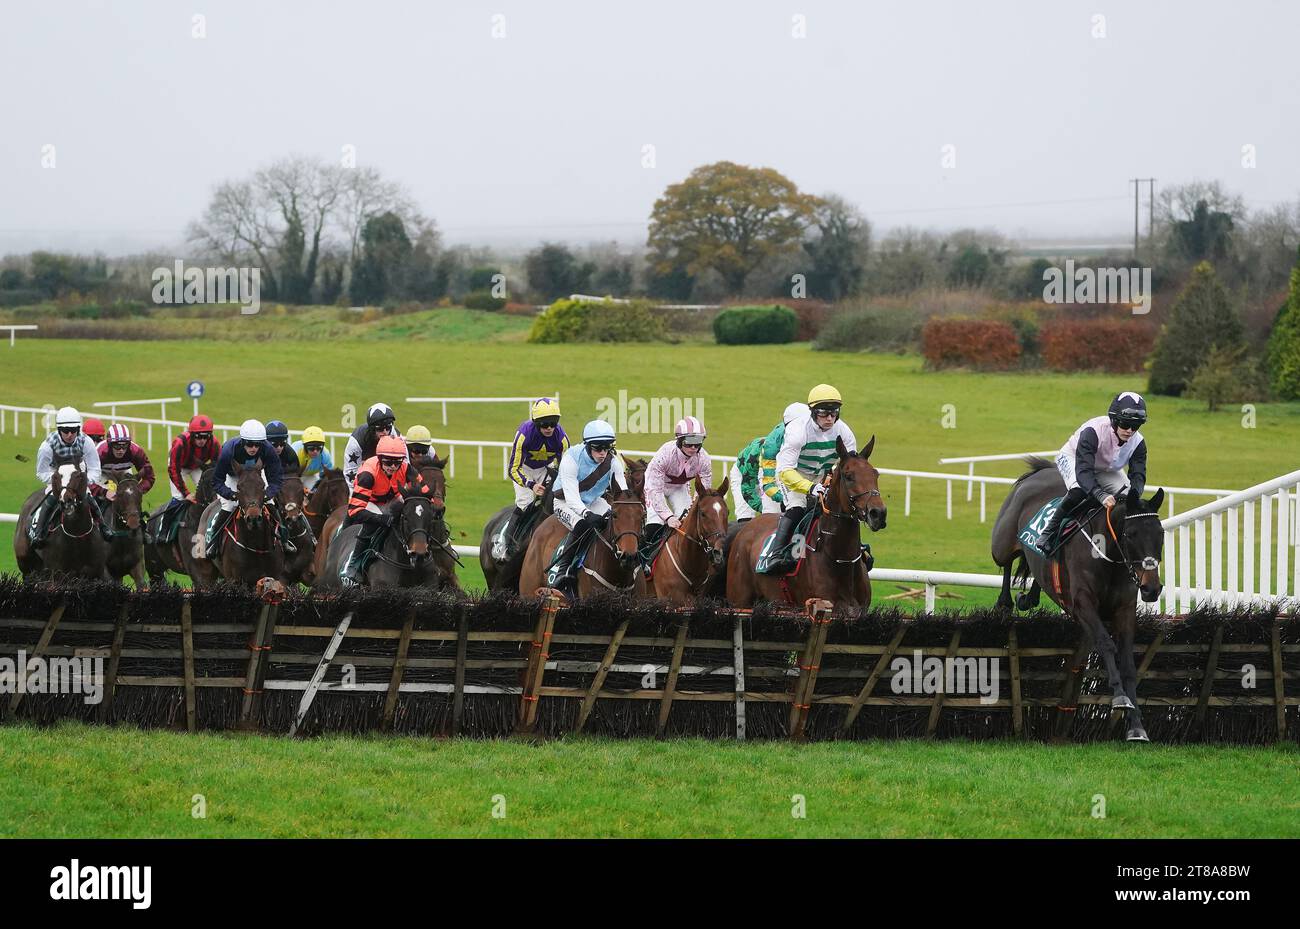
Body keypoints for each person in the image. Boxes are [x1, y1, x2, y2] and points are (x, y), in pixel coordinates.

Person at [760, 385, 857, 574]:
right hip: (793, 475)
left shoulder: (844, 432)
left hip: (822, 475)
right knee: (798, 509)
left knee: (840, 510)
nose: (830, 418)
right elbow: (785, 469)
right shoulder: (798, 431)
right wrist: (810, 487)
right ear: (813, 412)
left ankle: (855, 551)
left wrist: (831, 480)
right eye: (824, 413)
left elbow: (849, 464)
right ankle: (777, 553)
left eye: (834, 413)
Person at [1037, 391, 1149, 555]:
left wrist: (1134, 495)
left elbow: (1138, 476)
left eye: (1136, 426)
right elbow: (1084, 472)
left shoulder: (1139, 443)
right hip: (1074, 459)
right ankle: (1048, 533)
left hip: (1106, 468)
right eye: (1125, 424)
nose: (1130, 431)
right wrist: (1100, 494)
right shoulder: (1093, 431)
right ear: (1114, 420)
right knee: (1079, 491)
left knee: (1126, 497)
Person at [545, 419, 629, 599]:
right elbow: (572, 497)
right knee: (583, 525)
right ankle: (563, 573)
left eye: (607, 448)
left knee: (617, 520)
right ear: (588, 446)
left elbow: (623, 492)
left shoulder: (613, 462)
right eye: (598, 448)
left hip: (593, 500)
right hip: (565, 502)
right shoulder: (571, 458)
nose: (603, 453)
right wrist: (586, 514)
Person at [338, 435, 434, 587]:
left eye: (397, 462)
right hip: (370, 502)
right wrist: (382, 519)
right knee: (373, 525)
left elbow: (425, 492)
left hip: (393, 500)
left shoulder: (406, 467)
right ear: (380, 458)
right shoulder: (367, 475)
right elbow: (355, 511)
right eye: (388, 462)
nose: (393, 466)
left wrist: (430, 507)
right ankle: (353, 565)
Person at [492, 397, 568, 562]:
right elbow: (513, 469)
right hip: (523, 469)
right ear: (535, 422)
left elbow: (566, 469)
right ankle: (503, 543)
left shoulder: (562, 439)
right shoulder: (524, 434)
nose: (549, 428)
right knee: (525, 502)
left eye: (553, 423)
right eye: (544, 424)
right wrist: (531, 485)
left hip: (545, 469)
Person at [204, 419, 291, 560]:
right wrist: (231, 494)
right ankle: (213, 542)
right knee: (230, 505)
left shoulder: (268, 449)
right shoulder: (228, 451)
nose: (254, 448)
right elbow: (217, 480)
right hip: (233, 477)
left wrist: (268, 494)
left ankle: (285, 540)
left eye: (257, 445)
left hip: (256, 475)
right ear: (243, 442)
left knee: (271, 504)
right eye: (250, 444)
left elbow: (276, 479)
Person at [639, 416, 712, 575]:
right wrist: (667, 517)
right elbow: (654, 490)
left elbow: (703, 492)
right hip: (655, 486)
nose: (693, 447)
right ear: (679, 441)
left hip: (678, 488)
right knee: (656, 521)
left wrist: (692, 508)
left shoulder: (704, 459)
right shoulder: (665, 454)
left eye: (698, 442)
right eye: (689, 442)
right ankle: (641, 562)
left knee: (687, 522)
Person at [29, 406, 103, 549]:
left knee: (89, 497)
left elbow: (94, 468)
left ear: (78, 429)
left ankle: (104, 528)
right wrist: (59, 482)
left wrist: (85, 482)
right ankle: (38, 532)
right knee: (50, 498)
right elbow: (41, 472)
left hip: (77, 475)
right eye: (65, 431)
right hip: (57, 476)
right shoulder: (47, 446)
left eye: (73, 430)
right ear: (58, 430)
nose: (69, 434)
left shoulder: (86, 441)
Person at [92, 424, 156, 530]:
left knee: (130, 495)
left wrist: (138, 490)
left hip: (124, 471)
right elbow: (87, 479)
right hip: (101, 473)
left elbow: (150, 476)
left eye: (124, 446)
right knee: (108, 492)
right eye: (117, 446)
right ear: (109, 444)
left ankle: (142, 529)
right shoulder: (100, 452)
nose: (121, 450)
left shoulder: (136, 451)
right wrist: (103, 492)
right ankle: (97, 523)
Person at [343, 403, 404, 489]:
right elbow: (350, 475)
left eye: (388, 427)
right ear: (372, 429)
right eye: (380, 428)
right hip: (364, 482)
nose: (385, 432)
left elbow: (405, 467)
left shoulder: (397, 437)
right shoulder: (356, 441)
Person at [291, 426, 335, 493]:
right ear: (305, 447)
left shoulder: (325, 455)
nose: (315, 451)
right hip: (292, 476)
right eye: (311, 448)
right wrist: (302, 488)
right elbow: (288, 475)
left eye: (319, 448)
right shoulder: (295, 451)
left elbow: (328, 476)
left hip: (310, 476)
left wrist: (316, 489)